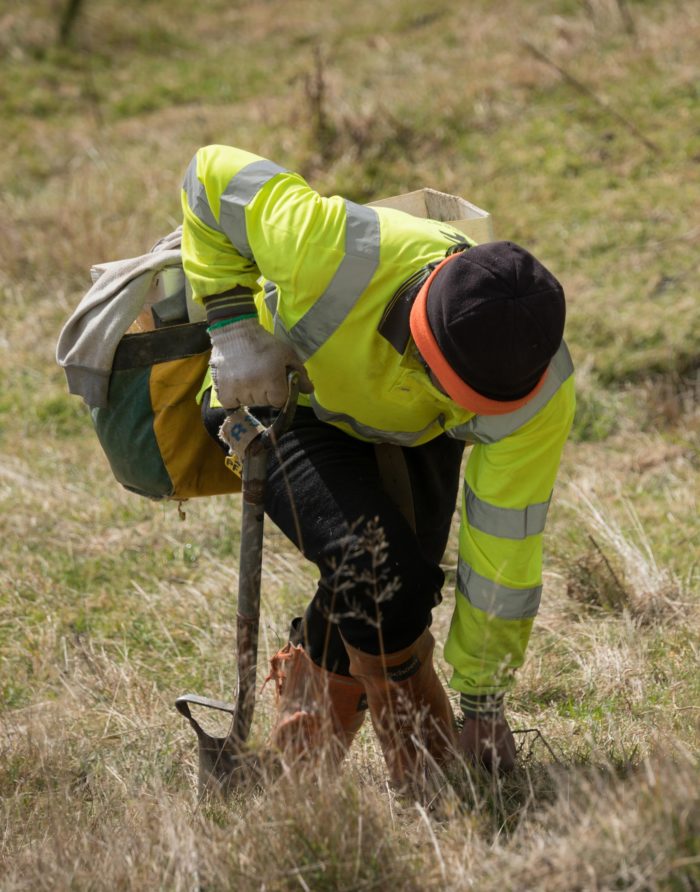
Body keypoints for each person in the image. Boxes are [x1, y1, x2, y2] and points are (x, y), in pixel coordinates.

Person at [180, 145, 575, 786]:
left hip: (409, 424)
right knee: (376, 566)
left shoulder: (532, 383)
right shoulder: (326, 248)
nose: (474, 412)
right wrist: (231, 326)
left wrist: (484, 700)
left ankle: (296, 766)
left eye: (478, 407)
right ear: (425, 342)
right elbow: (209, 173)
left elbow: (505, 547)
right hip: (279, 394)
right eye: (461, 395)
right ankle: (421, 775)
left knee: (395, 587)